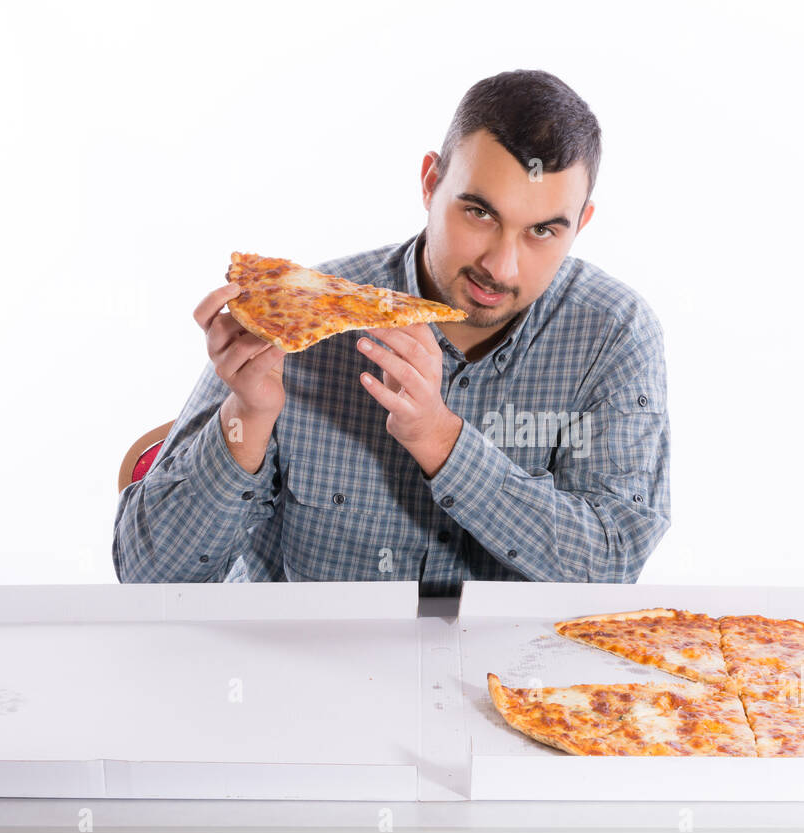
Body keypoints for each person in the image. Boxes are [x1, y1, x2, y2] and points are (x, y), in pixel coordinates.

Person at [113, 69, 670, 596]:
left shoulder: (612, 333)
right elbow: (147, 577)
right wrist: (247, 417)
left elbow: (611, 563)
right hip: (300, 673)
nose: (502, 267)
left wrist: (440, 440)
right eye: (479, 213)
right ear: (431, 183)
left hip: (508, 681)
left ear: (582, 223)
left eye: (543, 230)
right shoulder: (303, 318)